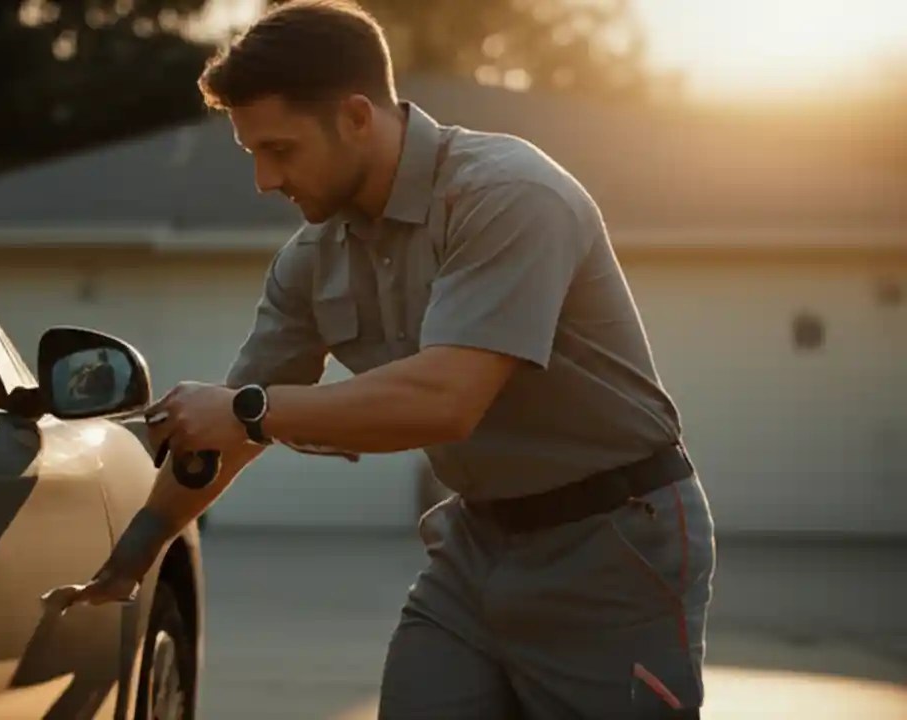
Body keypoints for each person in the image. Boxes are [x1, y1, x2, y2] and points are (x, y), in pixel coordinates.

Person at [51, 1, 715, 717]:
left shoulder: (507, 193)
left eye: (281, 150)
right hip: (477, 544)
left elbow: (445, 400)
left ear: (357, 117)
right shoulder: (311, 259)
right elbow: (230, 432)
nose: (265, 180)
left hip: (615, 536)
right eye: (253, 155)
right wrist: (135, 553)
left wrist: (249, 410)